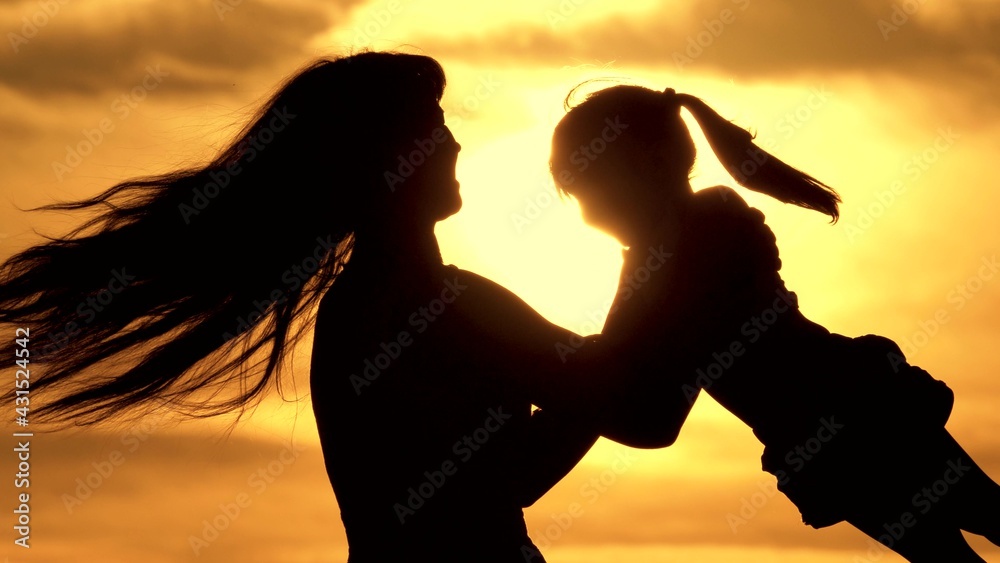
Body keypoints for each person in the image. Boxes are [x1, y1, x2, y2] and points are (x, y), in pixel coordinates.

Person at [0, 52, 688, 561]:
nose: (454, 144)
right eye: (436, 126)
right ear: (390, 159)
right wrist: (665, 248)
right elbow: (638, 410)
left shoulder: (361, 308)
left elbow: (522, 470)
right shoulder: (449, 309)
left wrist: (646, 285)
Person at [549, 83, 1000, 562]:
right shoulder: (697, 226)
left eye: (590, 189)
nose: (587, 214)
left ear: (652, 164)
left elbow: (617, 347)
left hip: (846, 413)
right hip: (827, 426)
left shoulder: (688, 236)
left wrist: (540, 364)